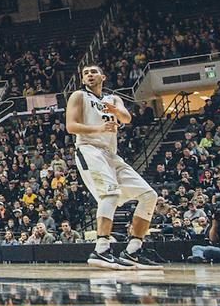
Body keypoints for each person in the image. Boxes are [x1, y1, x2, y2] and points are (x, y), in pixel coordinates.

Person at [67, 64, 161, 270]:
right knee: (109, 195)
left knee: (149, 195)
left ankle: (133, 251)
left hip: (111, 154)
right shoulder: (79, 96)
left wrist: (115, 110)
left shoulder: (112, 99)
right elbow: (71, 126)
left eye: (93, 72)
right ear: (83, 80)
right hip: (89, 148)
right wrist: (98, 128)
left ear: (103, 77)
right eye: (85, 73)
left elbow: (127, 118)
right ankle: (101, 249)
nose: (89, 75)